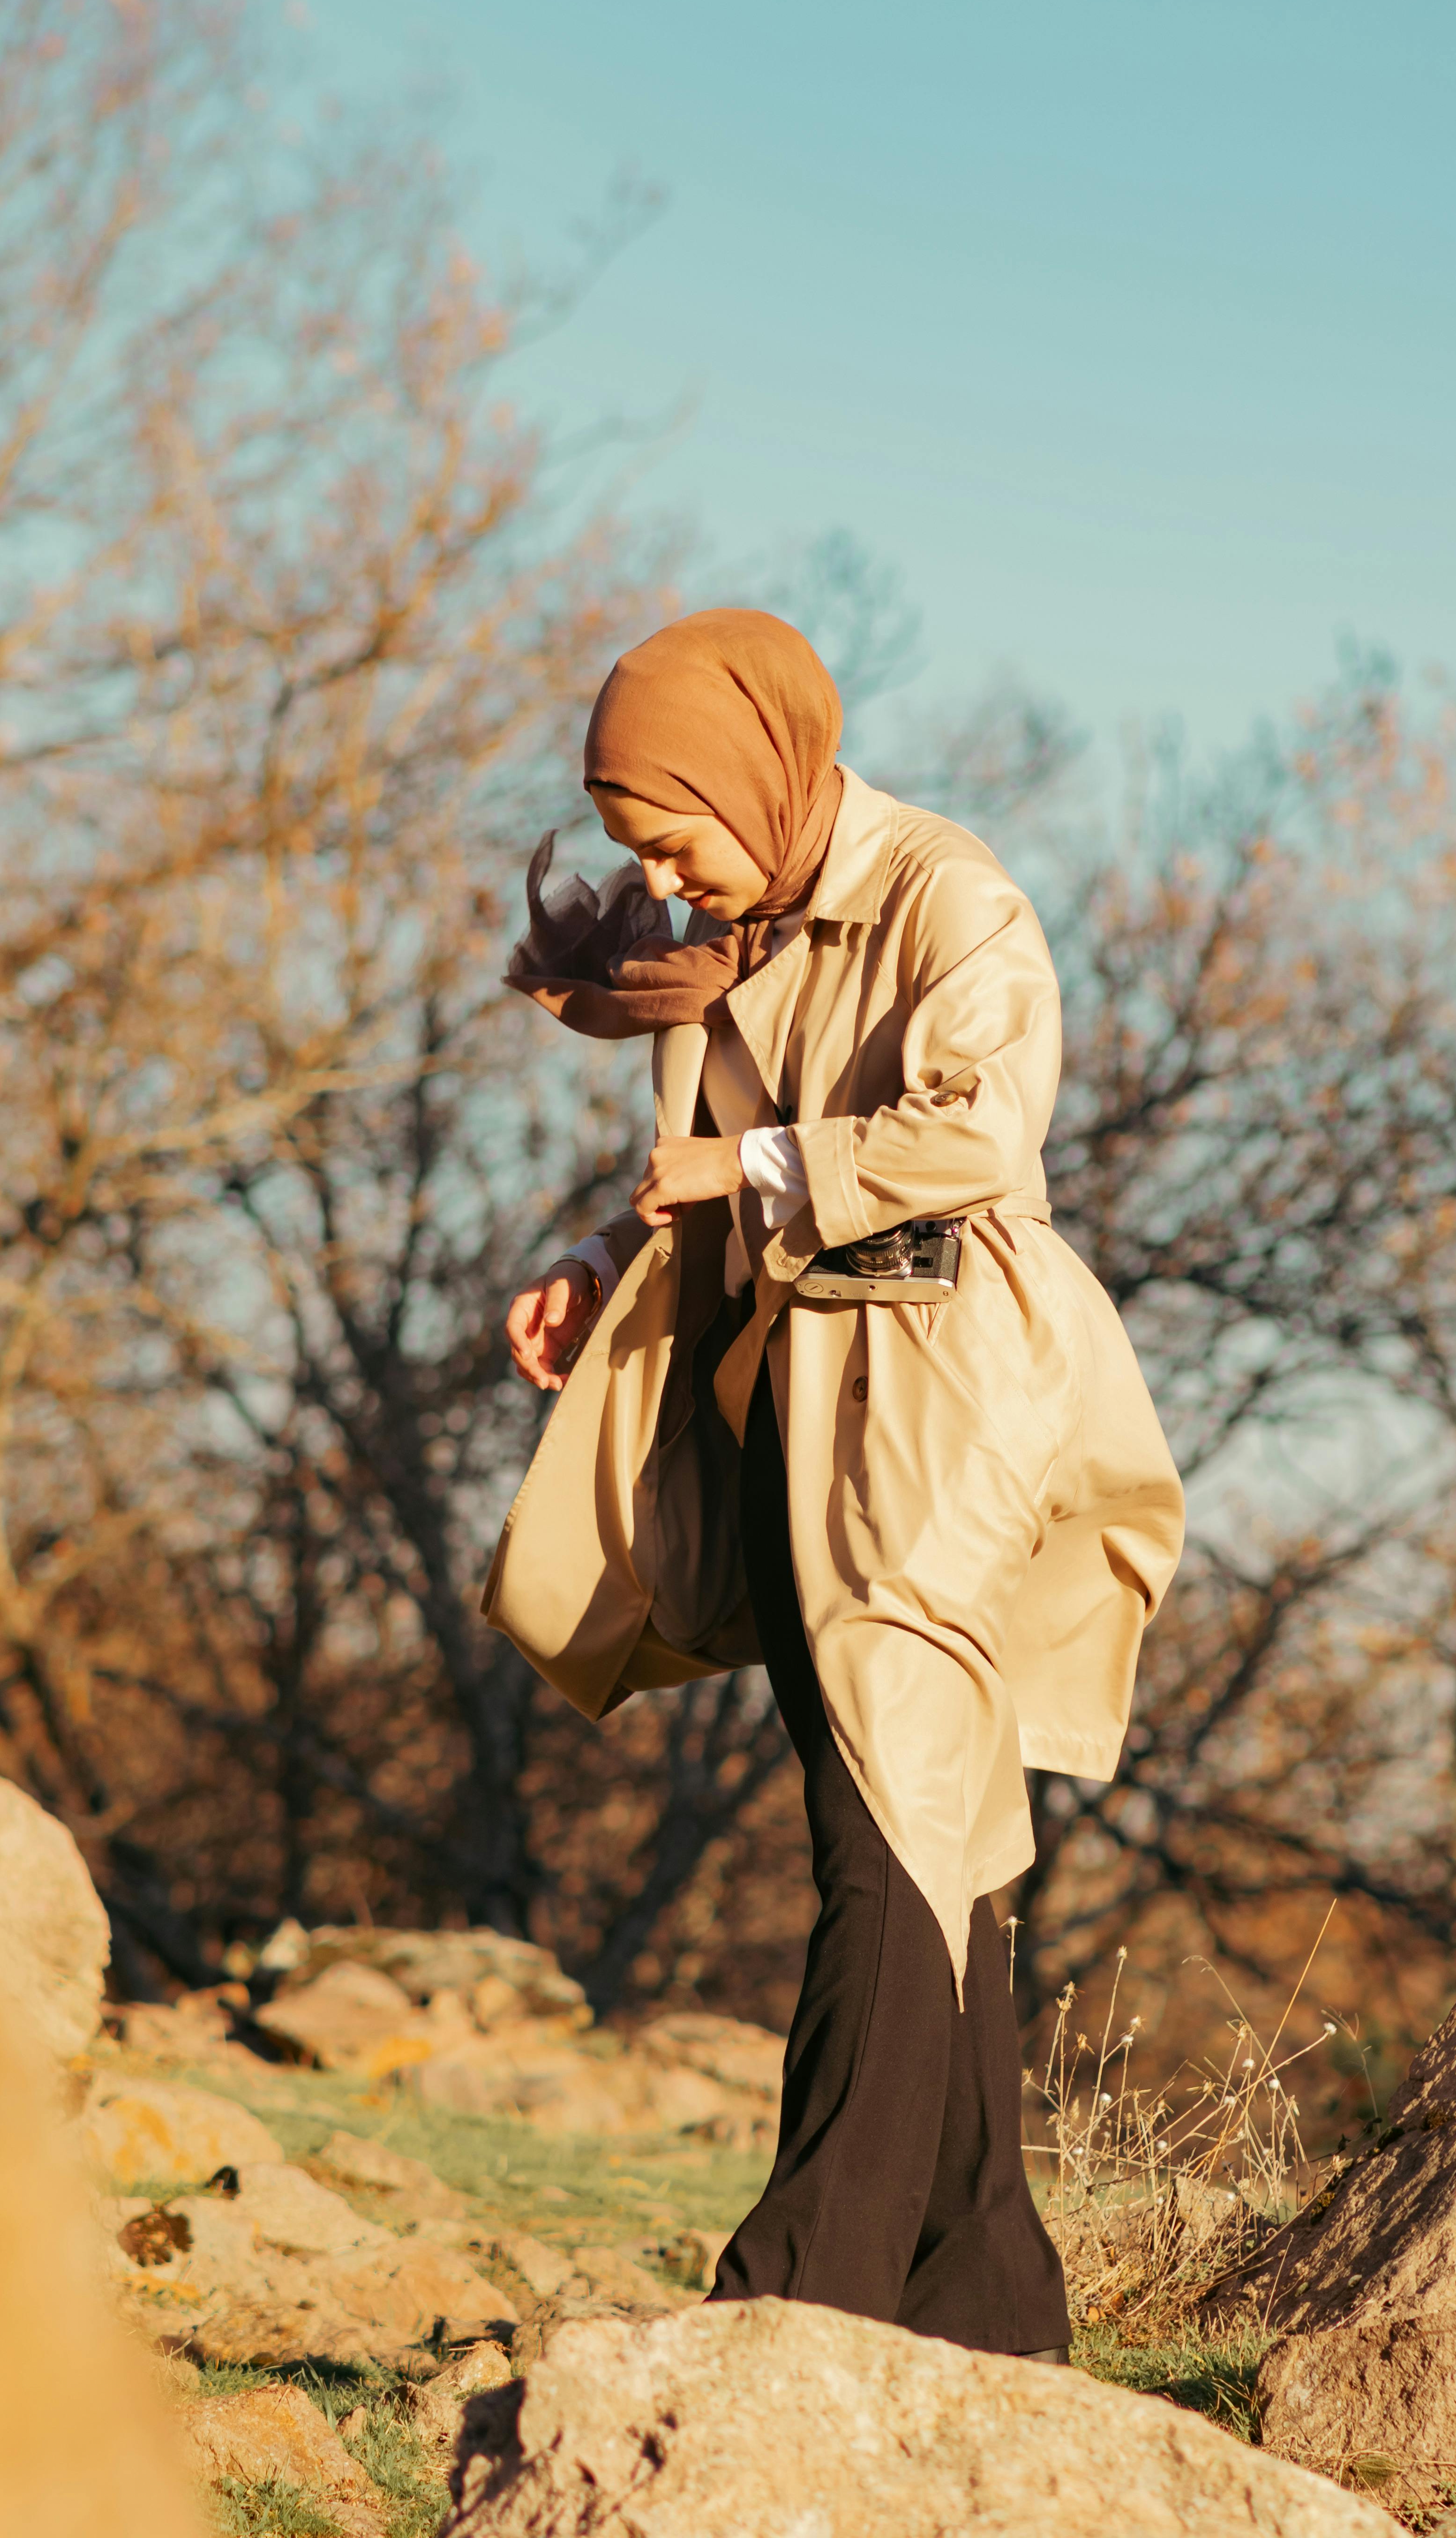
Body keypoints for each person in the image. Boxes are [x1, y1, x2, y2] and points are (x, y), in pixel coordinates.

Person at [492, 608, 1183, 2358]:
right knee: (916, 1838)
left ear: (759, 770)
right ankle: (990, 2299)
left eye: (673, 834)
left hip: (945, 1395)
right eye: (634, 846)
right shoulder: (732, 929)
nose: (660, 877)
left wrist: (746, 1167)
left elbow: (981, 1132)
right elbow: (702, 1163)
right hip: (782, 1406)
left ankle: (804, 2298)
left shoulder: (950, 892)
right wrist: (598, 1251)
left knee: (888, 1828)